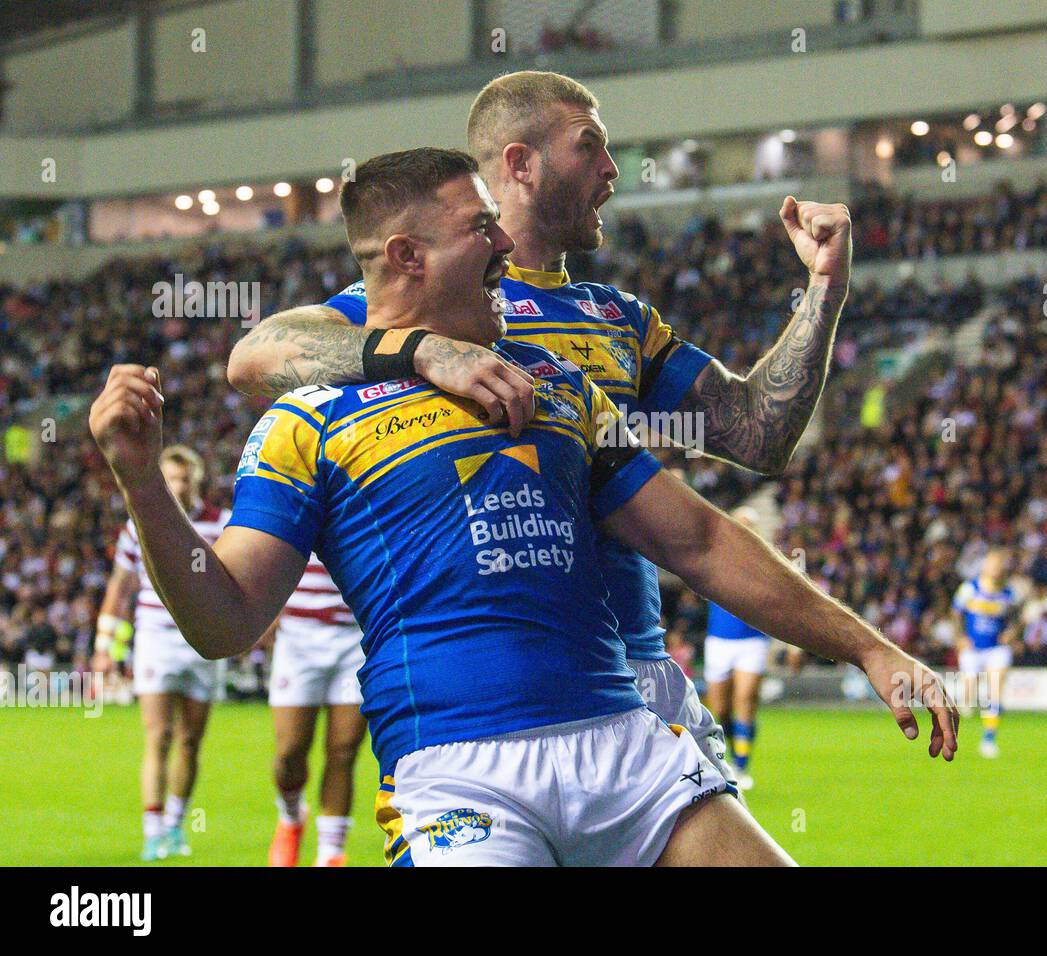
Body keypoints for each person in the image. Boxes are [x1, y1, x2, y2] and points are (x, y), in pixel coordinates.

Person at [93, 147, 956, 867]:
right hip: (459, 772)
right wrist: (139, 484)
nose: (506, 241)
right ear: (406, 257)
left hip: (624, 742)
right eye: (480, 229)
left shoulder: (559, 385)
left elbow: (696, 538)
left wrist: (870, 652)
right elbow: (225, 619)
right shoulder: (310, 417)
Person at [226, 71, 852, 792]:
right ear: (520, 164)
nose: (613, 170)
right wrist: (426, 350)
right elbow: (255, 356)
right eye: (592, 147)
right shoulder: (416, 308)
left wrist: (823, 291)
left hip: (637, 675)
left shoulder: (618, 319)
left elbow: (755, 433)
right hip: (509, 706)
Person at [93, 445, 226, 860]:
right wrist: (104, 647)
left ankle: (175, 826)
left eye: (185, 479)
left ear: (197, 482)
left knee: (190, 741)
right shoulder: (140, 525)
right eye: (170, 478)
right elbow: (120, 586)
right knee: (159, 736)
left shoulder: (222, 525)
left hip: (203, 644)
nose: (178, 486)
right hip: (156, 639)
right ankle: (153, 831)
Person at [264, 554, 367, 867]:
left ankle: (331, 853)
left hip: (355, 636)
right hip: (298, 636)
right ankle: (292, 815)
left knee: (343, 750)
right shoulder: (300, 503)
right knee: (290, 751)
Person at [703, 506, 772, 791]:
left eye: (749, 524)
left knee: (745, 699)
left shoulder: (765, 562)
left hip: (752, 640)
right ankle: (731, 754)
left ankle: (741, 766)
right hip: (719, 640)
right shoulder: (714, 556)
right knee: (719, 708)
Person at [952, 549, 1017, 759]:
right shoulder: (970, 589)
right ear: (985, 567)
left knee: (995, 690)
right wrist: (960, 637)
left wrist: (1012, 632)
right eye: (993, 565)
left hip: (996, 648)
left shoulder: (1008, 593)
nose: (996, 570)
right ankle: (967, 700)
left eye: (1000, 566)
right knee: (969, 695)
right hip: (972, 648)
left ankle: (989, 739)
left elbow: (1016, 620)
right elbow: (955, 613)